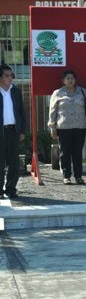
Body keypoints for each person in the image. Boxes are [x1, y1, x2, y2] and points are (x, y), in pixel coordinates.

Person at [48, 70, 86, 185]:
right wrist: (52, 127)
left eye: (72, 78)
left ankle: (78, 176)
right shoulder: (57, 93)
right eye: (68, 78)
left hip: (80, 126)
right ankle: (66, 176)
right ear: (63, 81)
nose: (70, 80)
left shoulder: (83, 92)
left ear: (75, 80)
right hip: (64, 127)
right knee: (65, 152)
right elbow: (52, 111)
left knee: (77, 152)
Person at [0, 65, 26, 199]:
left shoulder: (15, 91)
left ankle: (11, 189)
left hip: (13, 131)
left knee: (14, 163)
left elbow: (21, 112)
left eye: (11, 75)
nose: (10, 78)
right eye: (7, 75)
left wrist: (22, 131)